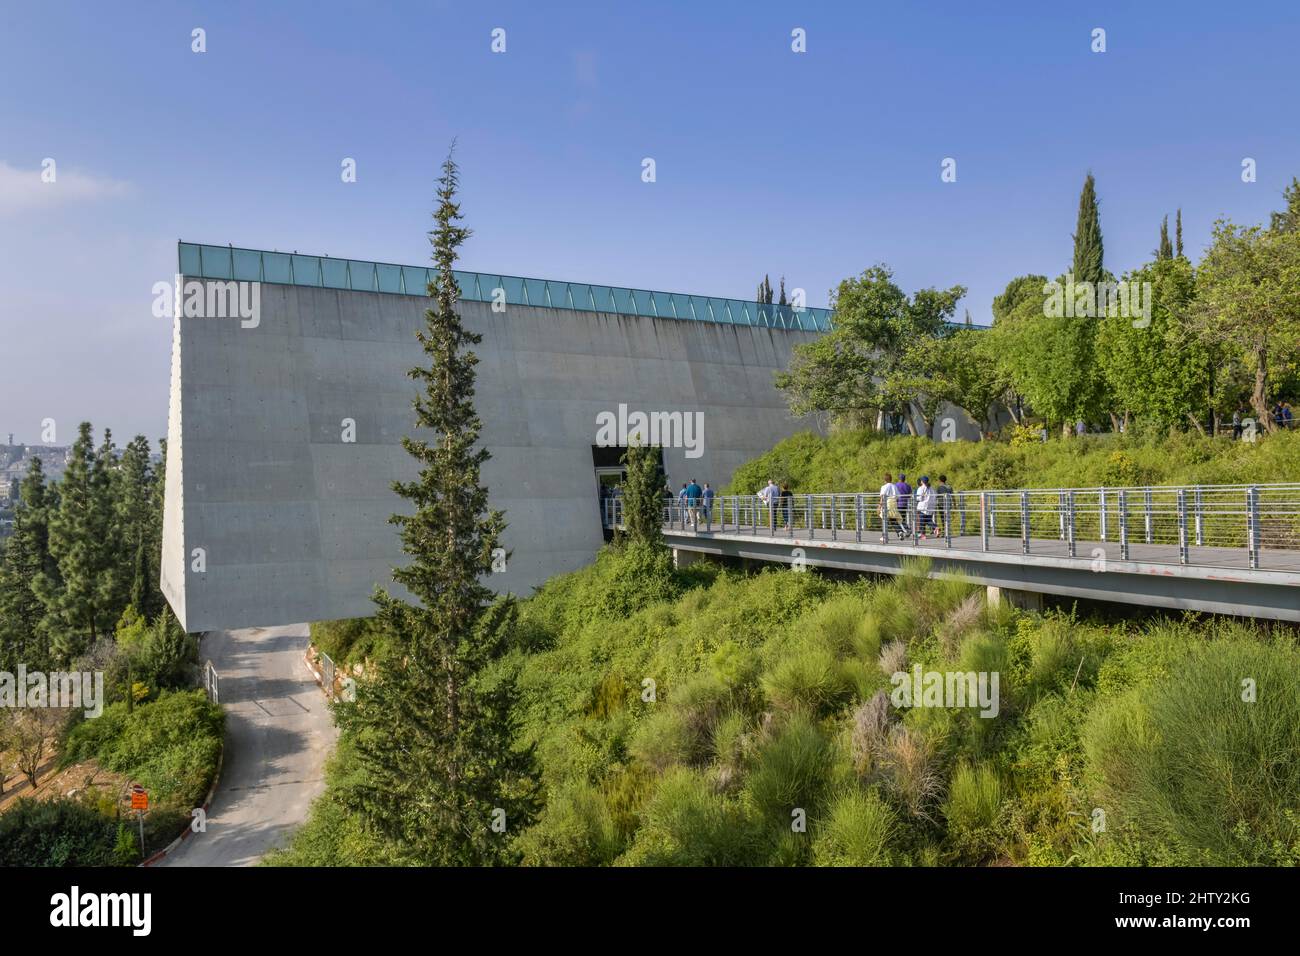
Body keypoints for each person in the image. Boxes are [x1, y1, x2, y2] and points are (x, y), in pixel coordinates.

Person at [878, 472, 901, 542]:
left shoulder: (884, 487)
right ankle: (900, 532)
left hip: (886, 504)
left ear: (885, 480)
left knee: (884, 519)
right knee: (893, 519)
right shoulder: (894, 486)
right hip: (893, 504)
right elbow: (898, 497)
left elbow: (882, 497)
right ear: (891, 479)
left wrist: (879, 506)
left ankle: (884, 536)